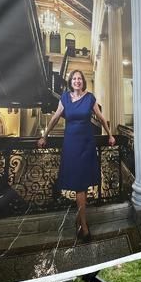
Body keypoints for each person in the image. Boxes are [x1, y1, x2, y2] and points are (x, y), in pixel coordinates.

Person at [37, 70, 115, 241]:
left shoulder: (90, 98)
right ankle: (81, 223)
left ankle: (82, 224)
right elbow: (55, 118)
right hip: (71, 144)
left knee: (82, 183)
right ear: (71, 82)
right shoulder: (65, 98)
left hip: (87, 143)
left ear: (83, 81)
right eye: (74, 79)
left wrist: (110, 135)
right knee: (80, 183)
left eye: (79, 79)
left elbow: (101, 117)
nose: (77, 81)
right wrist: (45, 136)